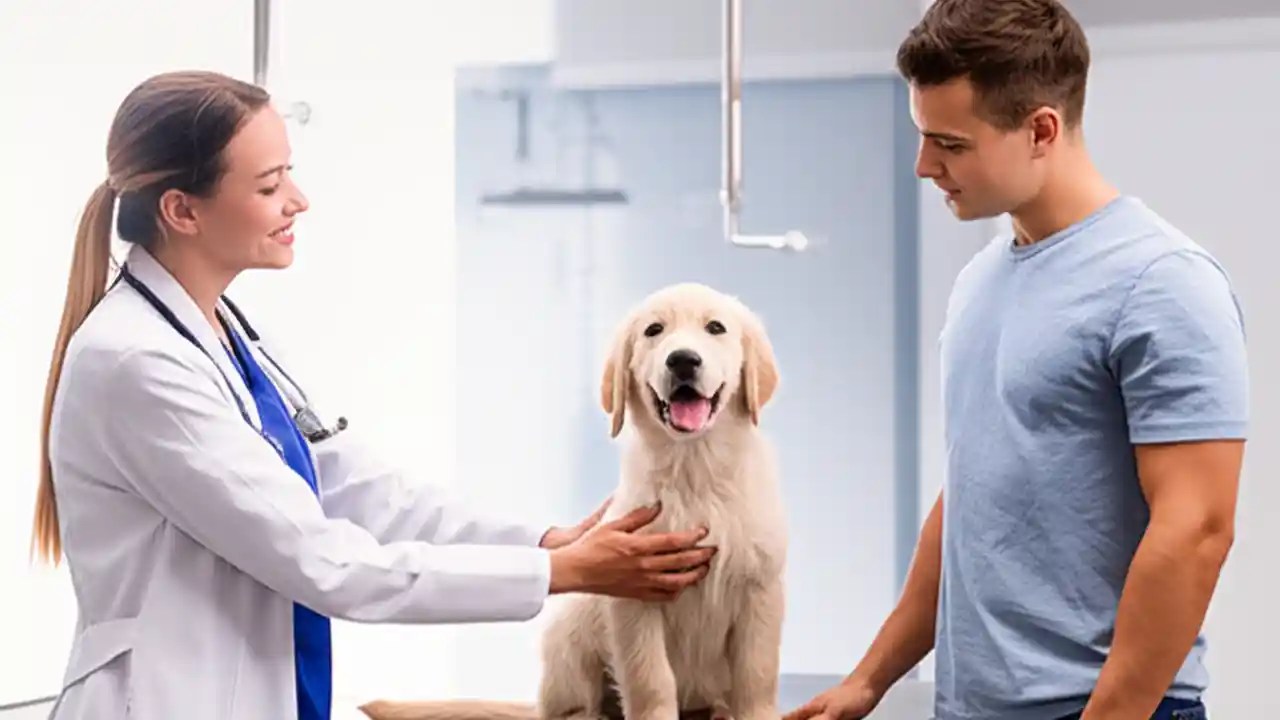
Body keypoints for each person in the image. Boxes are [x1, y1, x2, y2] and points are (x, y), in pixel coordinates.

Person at [32, 70, 716, 720]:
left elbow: (355, 487)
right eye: (270, 185)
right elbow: (324, 563)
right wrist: (557, 573)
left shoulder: (226, 335)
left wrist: (545, 542)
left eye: (289, 174)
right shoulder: (137, 363)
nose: (298, 200)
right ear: (183, 210)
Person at [785, 1, 1247, 719]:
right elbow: (970, 496)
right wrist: (868, 680)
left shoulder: (1162, 282)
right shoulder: (981, 279)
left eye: (950, 143)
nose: (923, 165)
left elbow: (1197, 530)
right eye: (921, 136)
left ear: (1041, 130)